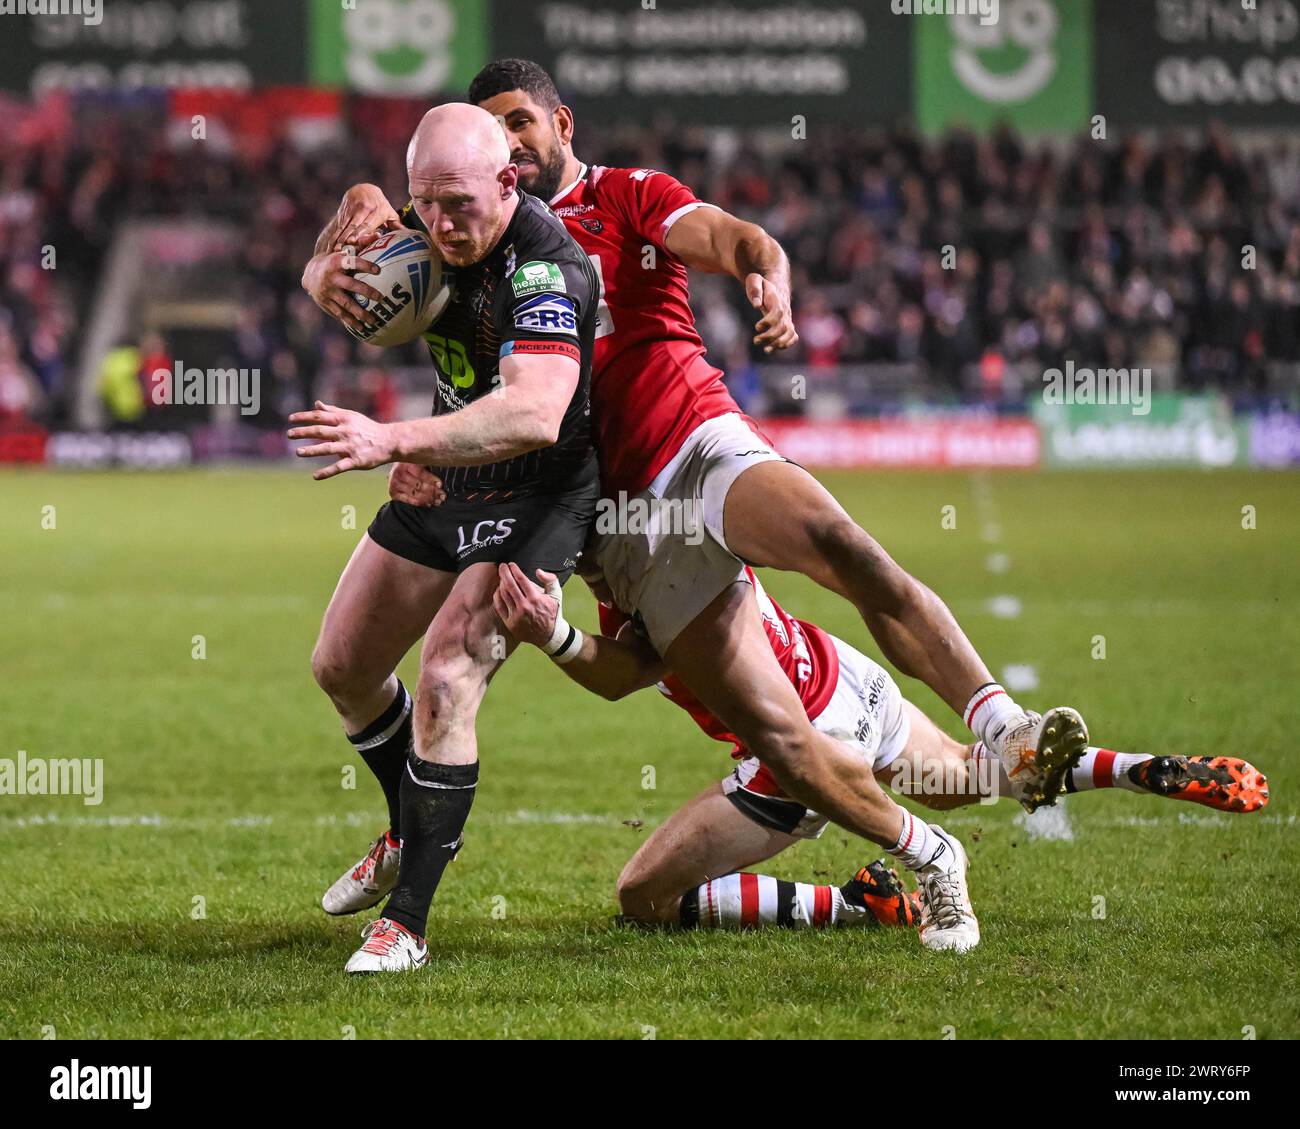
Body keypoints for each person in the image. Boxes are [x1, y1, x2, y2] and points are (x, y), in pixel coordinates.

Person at [306, 60, 1087, 955]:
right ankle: (925, 848)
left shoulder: (624, 197)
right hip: (621, 523)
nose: (510, 139)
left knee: (837, 540)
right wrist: (335, 252)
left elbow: (723, 233)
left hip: (695, 443)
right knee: (776, 737)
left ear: (556, 126)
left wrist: (766, 269)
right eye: (494, 127)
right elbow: (369, 246)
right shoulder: (462, 223)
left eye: (521, 121)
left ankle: (1003, 726)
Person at [490, 554, 1269, 933]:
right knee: (971, 776)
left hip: (802, 743)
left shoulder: (645, 577)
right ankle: (1136, 769)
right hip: (847, 679)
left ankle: (868, 899)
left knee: (643, 897)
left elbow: (624, 672)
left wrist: (551, 634)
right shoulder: (672, 530)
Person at [287, 103, 601, 973]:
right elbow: (357, 218)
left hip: (539, 491)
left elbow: (536, 412)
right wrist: (323, 266)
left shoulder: (546, 265)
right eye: (426, 204)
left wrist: (393, 438)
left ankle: (409, 921)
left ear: (512, 178)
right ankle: (407, 826)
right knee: (342, 665)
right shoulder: (430, 219)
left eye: (460, 204)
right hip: (446, 474)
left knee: (446, 673)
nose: (442, 225)